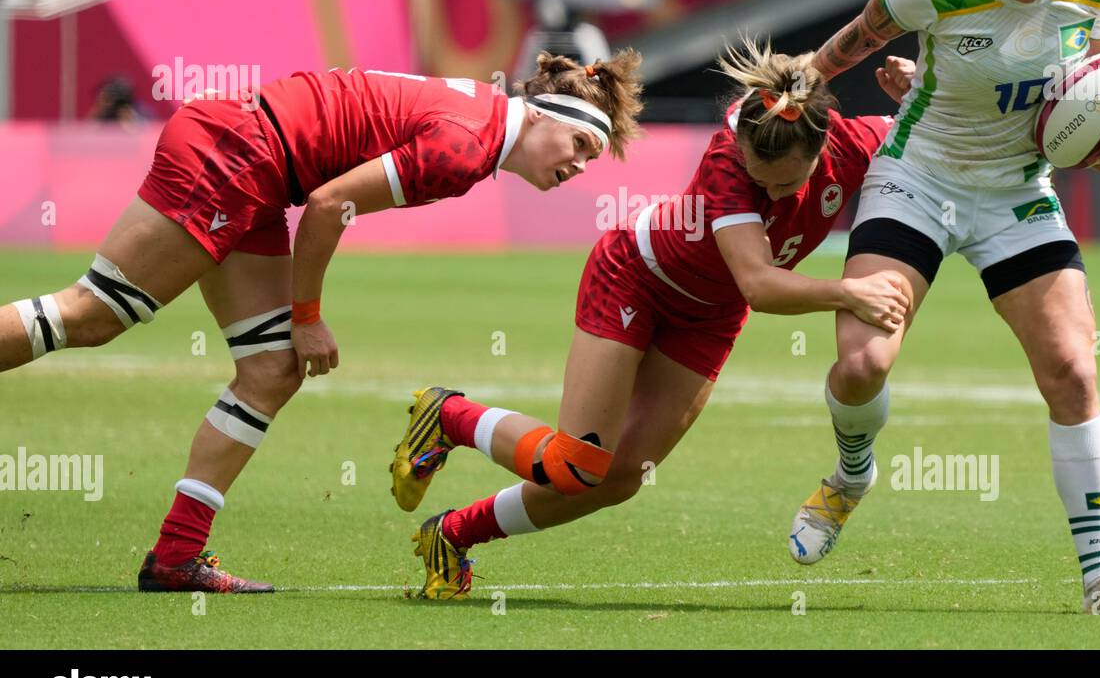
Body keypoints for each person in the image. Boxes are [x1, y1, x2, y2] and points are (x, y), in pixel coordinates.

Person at [0, 52, 644, 593]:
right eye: (582, 144)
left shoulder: (480, 120)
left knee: (270, 371)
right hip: (238, 155)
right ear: (539, 115)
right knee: (93, 314)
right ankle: (176, 556)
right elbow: (330, 201)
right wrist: (307, 316)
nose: (580, 166)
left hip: (251, 158)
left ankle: (175, 556)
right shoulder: (467, 144)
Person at [785, 0, 1100, 618]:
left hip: (1017, 191)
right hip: (917, 177)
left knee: (1072, 368)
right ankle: (851, 476)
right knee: (862, 365)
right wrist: (798, 84)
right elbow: (858, 39)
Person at [389, 37, 909, 599]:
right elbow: (759, 285)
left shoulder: (856, 142)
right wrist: (850, 293)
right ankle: (449, 417)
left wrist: (918, 90)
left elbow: (937, 132)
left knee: (621, 479)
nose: (772, 192)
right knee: (576, 464)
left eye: (785, 182)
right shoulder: (729, 162)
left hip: (709, 319)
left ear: (822, 147)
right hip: (636, 280)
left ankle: (452, 535)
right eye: (762, 178)